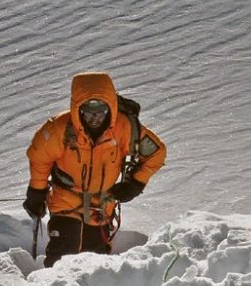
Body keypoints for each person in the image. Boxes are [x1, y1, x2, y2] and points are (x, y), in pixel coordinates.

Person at [24, 71, 166, 266]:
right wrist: (36, 191)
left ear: (111, 108)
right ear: (77, 109)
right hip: (66, 202)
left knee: (95, 263)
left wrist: (136, 183)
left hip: (101, 207)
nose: (95, 118)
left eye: (101, 111)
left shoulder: (125, 128)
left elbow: (156, 153)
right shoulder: (58, 129)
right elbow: (40, 158)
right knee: (63, 256)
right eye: (88, 112)